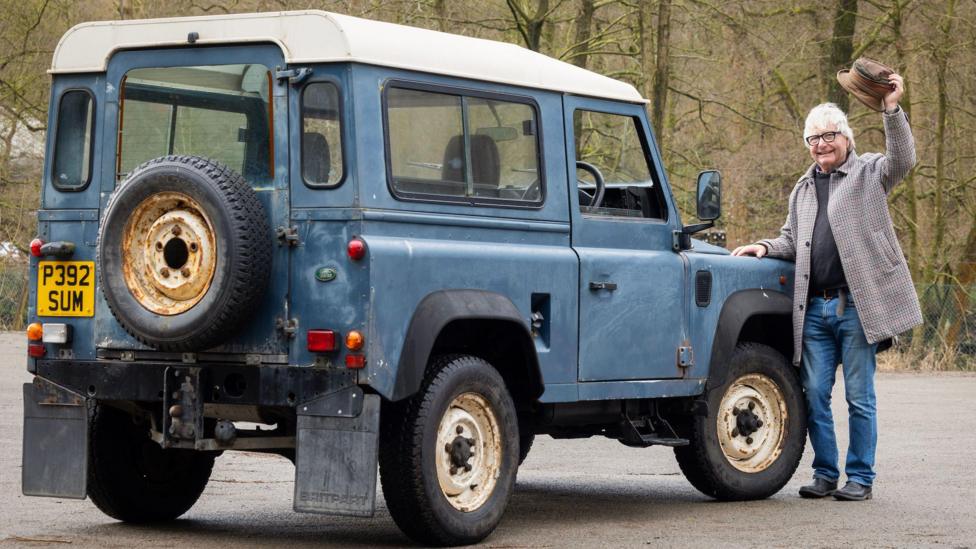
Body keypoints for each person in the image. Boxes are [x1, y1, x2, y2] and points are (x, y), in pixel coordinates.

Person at [731, 73, 921, 501]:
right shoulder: (802, 189)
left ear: (846, 137)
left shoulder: (869, 172)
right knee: (813, 394)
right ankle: (825, 473)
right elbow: (791, 239)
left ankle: (860, 478)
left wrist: (891, 108)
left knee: (859, 397)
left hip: (856, 307)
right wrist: (764, 247)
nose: (821, 144)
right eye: (813, 138)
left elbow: (904, 159)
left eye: (829, 135)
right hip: (813, 310)